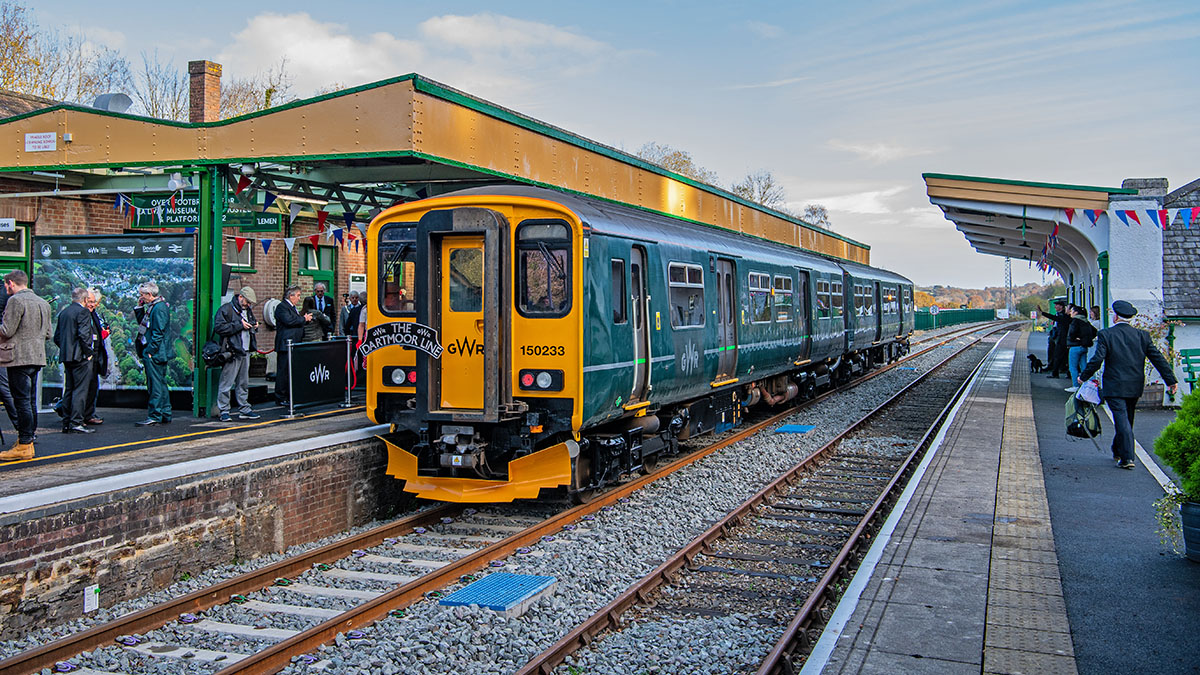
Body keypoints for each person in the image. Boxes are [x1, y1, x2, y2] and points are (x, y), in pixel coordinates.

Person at [1078, 300, 1178, 470]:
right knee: (1127, 419)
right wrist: (1171, 380)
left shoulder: (1106, 334)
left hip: (1114, 384)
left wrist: (1084, 376)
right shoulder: (1142, 336)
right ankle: (1117, 450)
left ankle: (1127, 457)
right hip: (1135, 385)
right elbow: (1157, 358)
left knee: (1121, 420)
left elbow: (1098, 358)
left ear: (1116, 316)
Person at [0, 270, 52, 461]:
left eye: (6, 285)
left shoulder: (15, 301)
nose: (6, 288)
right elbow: (48, 334)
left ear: (11, 283)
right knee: (29, 401)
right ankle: (27, 442)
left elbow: (7, 330)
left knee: (21, 401)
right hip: (37, 356)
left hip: (18, 356)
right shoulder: (42, 302)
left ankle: (24, 444)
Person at [213, 287, 262, 422]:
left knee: (243, 382)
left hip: (244, 350)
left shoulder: (247, 310)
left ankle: (244, 408)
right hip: (233, 351)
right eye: (247, 301)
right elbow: (218, 327)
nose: (249, 305)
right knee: (227, 382)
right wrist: (239, 325)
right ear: (240, 297)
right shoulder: (226, 309)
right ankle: (224, 410)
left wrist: (254, 326)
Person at [53, 287, 96, 434]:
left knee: (69, 389)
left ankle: (66, 422)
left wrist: (67, 349)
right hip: (80, 357)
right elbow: (84, 336)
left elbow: (57, 337)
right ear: (85, 300)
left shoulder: (64, 312)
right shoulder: (83, 312)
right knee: (80, 390)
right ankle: (76, 422)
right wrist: (88, 353)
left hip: (67, 356)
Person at [135, 281, 171, 426]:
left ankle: (156, 414)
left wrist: (150, 351)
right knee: (160, 383)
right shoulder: (153, 307)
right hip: (155, 351)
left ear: (150, 294)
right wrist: (139, 307)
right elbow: (145, 324)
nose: (141, 297)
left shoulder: (158, 309)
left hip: (155, 353)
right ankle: (164, 413)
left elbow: (157, 332)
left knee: (155, 384)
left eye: (142, 295)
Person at [274, 285, 312, 406]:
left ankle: (289, 395)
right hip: (285, 344)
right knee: (283, 371)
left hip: (294, 343)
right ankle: (281, 396)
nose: (299, 298)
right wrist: (303, 319)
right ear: (291, 296)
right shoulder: (282, 307)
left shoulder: (293, 307)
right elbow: (289, 321)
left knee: (291, 371)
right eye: (298, 295)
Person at [82, 289, 109, 426]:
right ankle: (81, 416)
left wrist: (103, 334)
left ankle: (89, 414)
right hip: (86, 357)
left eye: (94, 302)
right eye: (90, 302)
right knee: (84, 387)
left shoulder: (94, 314)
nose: (93, 305)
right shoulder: (82, 314)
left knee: (93, 386)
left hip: (96, 356)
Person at [1064, 304, 1096, 393]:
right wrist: (1085, 339)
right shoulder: (1085, 321)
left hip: (1075, 347)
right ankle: (1088, 385)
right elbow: (1095, 332)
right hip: (1084, 347)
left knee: (1073, 367)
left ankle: (1075, 385)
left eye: (1072, 311)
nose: (1070, 313)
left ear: (1076, 312)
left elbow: (1072, 333)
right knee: (1084, 366)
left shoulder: (1075, 321)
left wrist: (1074, 338)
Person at [1041, 300, 1071, 378]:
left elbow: (1055, 318)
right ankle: (1060, 370)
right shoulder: (1061, 315)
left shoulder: (1064, 316)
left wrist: (1043, 313)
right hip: (1058, 336)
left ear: (1061, 306)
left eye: (1056, 305)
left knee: (1058, 355)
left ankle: (1056, 372)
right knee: (1058, 354)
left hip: (1062, 338)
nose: (1055, 307)